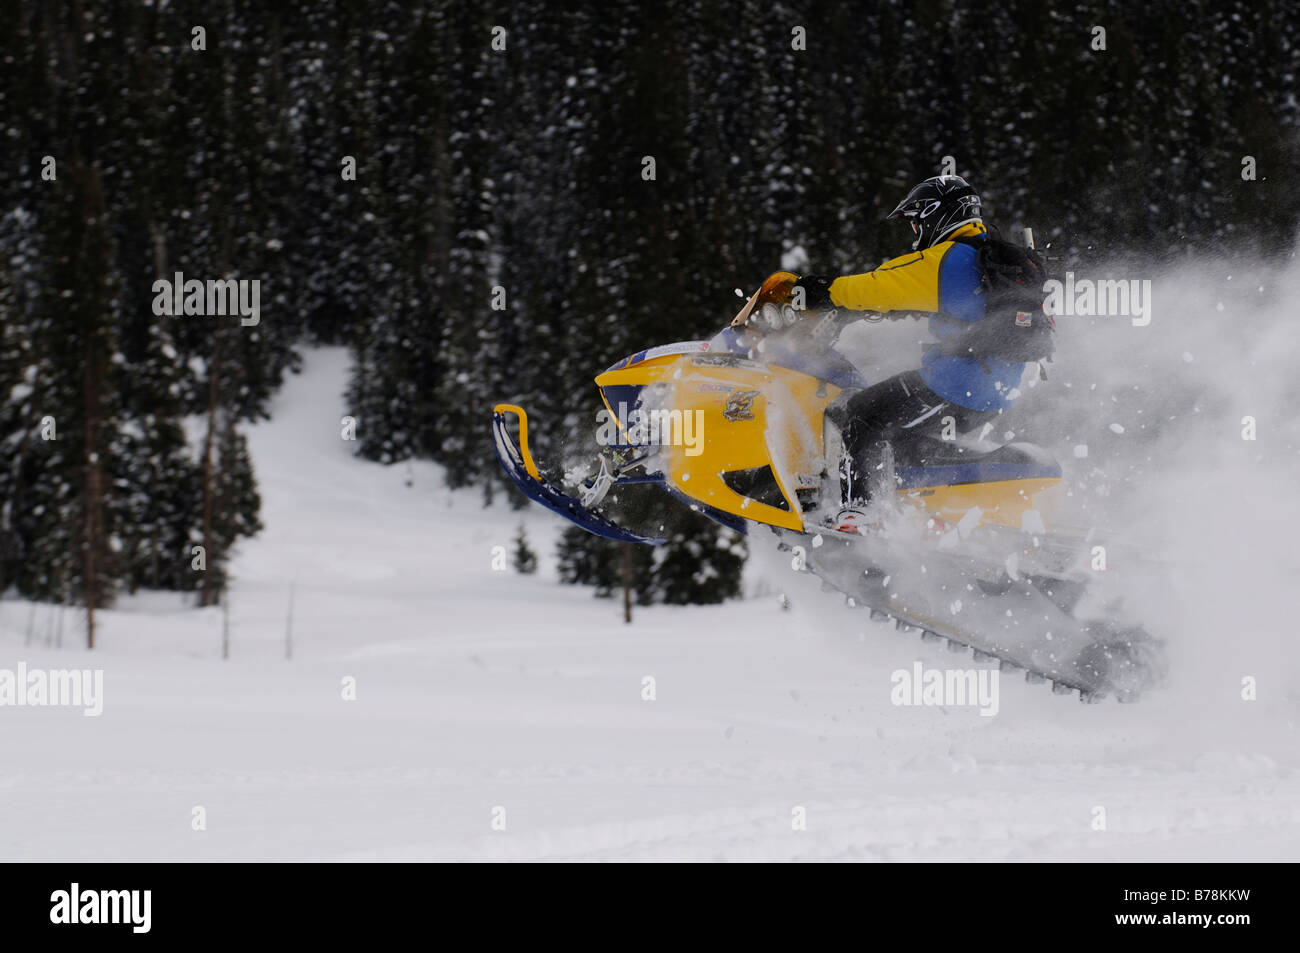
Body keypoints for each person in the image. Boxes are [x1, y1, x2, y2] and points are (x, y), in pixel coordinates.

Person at [739, 174, 1053, 533]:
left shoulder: (947, 258)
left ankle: (860, 513)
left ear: (938, 215)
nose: (917, 232)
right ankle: (924, 513)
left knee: (859, 413)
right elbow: (923, 302)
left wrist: (817, 290)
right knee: (902, 438)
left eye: (918, 222)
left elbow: (879, 286)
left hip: (958, 384)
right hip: (994, 389)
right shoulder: (989, 259)